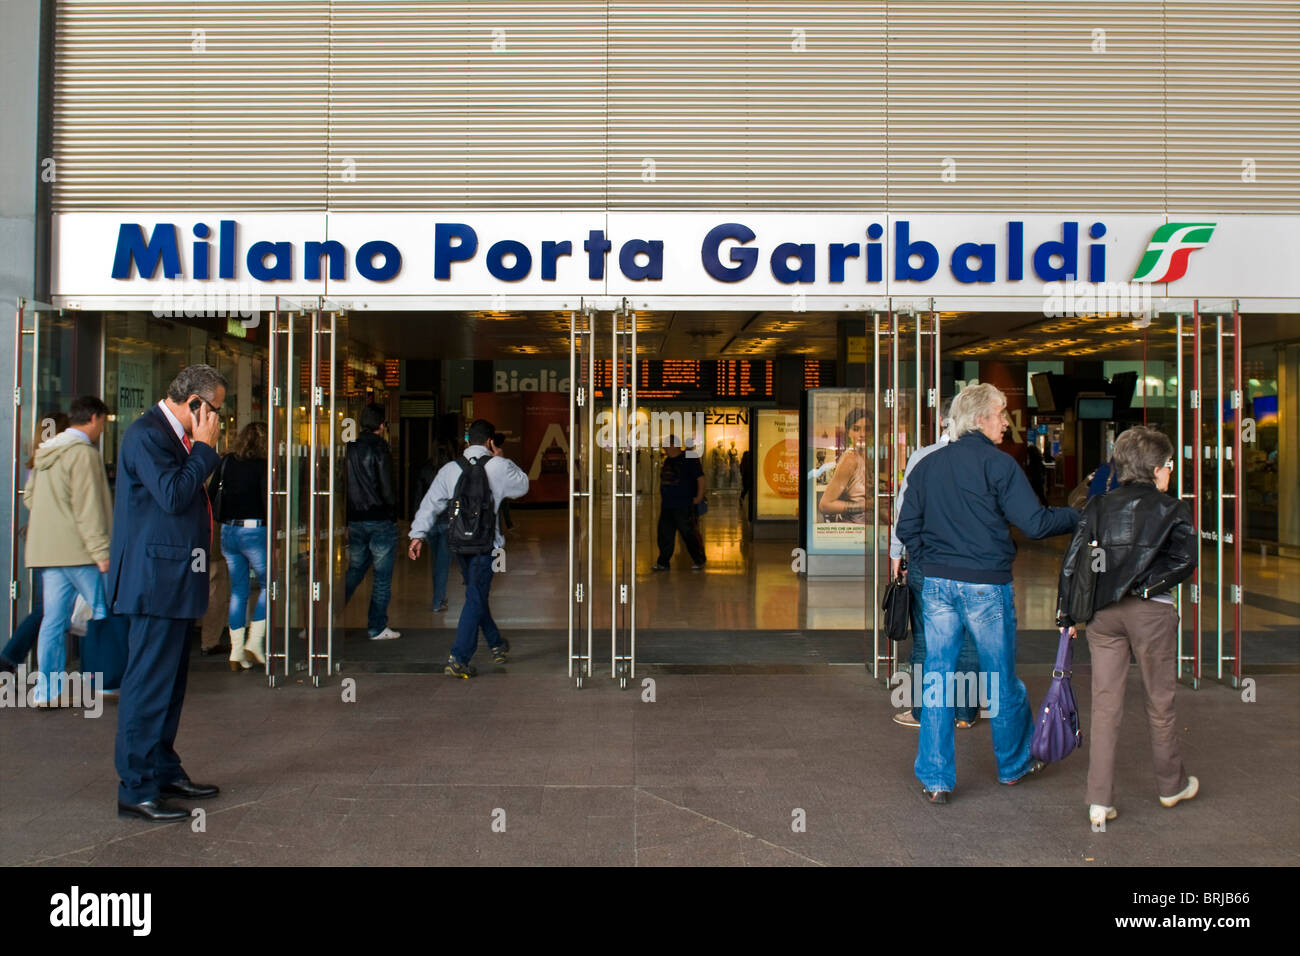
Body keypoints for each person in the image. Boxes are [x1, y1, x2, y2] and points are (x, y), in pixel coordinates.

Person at [896, 382, 1079, 804]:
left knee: (938, 679)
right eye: (1001, 415)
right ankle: (1013, 765)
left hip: (938, 586)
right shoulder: (1000, 466)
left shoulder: (927, 466)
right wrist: (1077, 516)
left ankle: (936, 779)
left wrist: (934, 562)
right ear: (980, 419)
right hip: (988, 588)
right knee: (1000, 680)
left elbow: (906, 529)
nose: (1006, 423)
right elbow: (1034, 524)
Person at [1056, 426, 1199, 829]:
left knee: (1105, 705)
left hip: (1103, 614)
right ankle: (1171, 785)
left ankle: (1098, 802)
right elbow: (1185, 561)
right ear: (1156, 469)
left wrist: (1068, 614)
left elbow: (1076, 562)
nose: (1170, 472)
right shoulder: (1171, 509)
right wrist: (1147, 585)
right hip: (1151, 613)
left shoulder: (1098, 507)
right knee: (1160, 701)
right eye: (1169, 465)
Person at [109, 364, 226, 822]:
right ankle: (135, 787)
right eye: (214, 409)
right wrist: (204, 449)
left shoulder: (171, 436)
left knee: (170, 686)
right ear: (194, 403)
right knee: (146, 687)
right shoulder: (147, 435)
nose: (217, 419)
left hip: (175, 580)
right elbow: (175, 495)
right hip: (154, 582)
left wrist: (199, 450)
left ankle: (162, 769)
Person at [408, 418, 530, 678]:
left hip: (459, 544)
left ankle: (496, 643)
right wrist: (502, 457)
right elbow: (523, 486)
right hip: (487, 545)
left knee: (476, 592)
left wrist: (417, 534)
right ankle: (458, 657)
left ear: (467, 440)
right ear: (490, 441)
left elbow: (431, 503)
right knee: (476, 596)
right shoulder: (499, 466)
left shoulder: (451, 469)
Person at [888, 403, 979, 729]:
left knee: (927, 638)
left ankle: (923, 712)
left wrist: (897, 554)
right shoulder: (986, 460)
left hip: (928, 558)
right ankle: (965, 713)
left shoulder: (923, 457)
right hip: (973, 563)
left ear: (942, 421)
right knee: (968, 638)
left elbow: (904, 511)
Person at [22, 397, 114, 706]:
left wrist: (55, 517)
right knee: (101, 613)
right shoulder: (83, 456)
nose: (102, 429)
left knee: (53, 620)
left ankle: (47, 691)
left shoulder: (45, 452)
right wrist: (101, 552)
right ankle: (103, 681)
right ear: (93, 418)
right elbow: (89, 509)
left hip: (48, 551)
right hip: (80, 551)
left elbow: (31, 498)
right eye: (103, 422)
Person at [1, 412, 68, 674]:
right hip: (56, 545)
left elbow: (35, 502)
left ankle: (16, 661)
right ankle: (10, 660)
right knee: (51, 608)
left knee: (52, 608)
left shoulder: (38, 463)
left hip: (44, 542)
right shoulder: (55, 463)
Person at [209, 421, 268, 670]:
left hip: (228, 532)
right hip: (254, 531)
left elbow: (211, 494)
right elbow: (269, 501)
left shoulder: (226, 462)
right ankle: (254, 640)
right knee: (270, 585)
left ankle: (236, 652)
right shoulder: (264, 466)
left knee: (238, 591)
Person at [344, 403, 401, 641]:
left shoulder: (350, 448)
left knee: (355, 571)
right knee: (381, 576)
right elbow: (386, 486)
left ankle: (321, 619)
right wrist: (393, 512)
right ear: (381, 425)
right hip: (379, 519)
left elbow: (343, 483)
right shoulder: (380, 448)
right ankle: (376, 627)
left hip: (356, 519)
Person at [651, 434, 706, 571]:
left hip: (684, 504)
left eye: (666, 445)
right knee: (664, 534)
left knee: (689, 533)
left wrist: (699, 497)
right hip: (668, 505)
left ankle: (699, 559)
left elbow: (700, 478)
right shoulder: (668, 461)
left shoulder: (690, 458)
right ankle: (663, 562)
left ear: (674, 445)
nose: (664, 448)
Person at [412, 440, 455, 614]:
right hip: (447, 522)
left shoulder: (425, 469)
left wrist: (417, 524)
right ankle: (438, 601)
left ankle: (440, 596)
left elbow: (418, 497)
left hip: (430, 523)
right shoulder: (453, 470)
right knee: (443, 564)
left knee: (436, 561)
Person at [818, 408, 869, 522]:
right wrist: (865, 506)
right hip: (854, 531)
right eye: (856, 429)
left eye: (867, 429)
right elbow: (825, 505)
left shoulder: (864, 457)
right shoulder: (850, 459)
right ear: (848, 432)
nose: (862, 434)